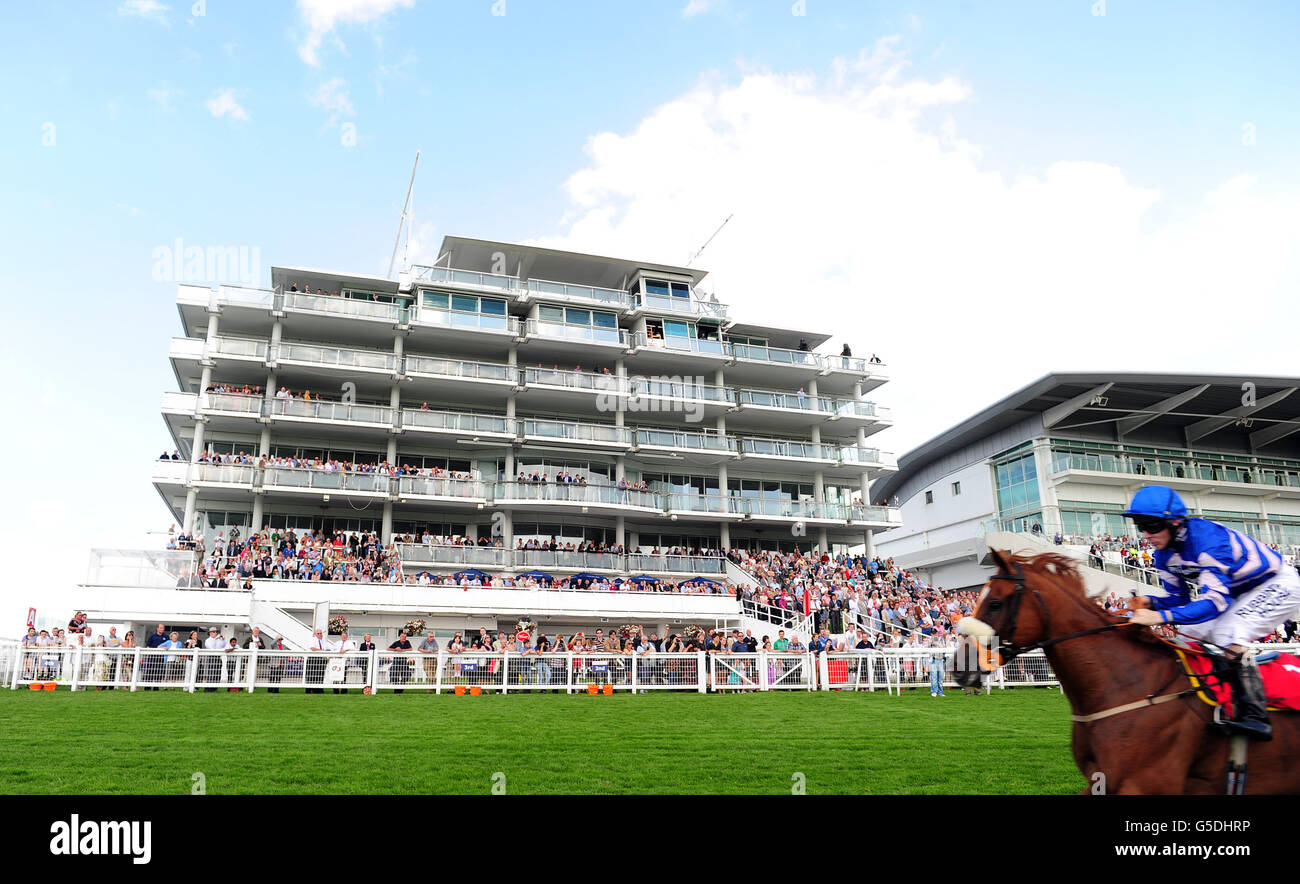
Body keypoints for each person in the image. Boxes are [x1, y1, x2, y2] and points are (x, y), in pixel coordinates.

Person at [1123, 485, 1300, 739]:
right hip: (1239, 592)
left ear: (1174, 523)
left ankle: (1255, 715)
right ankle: (1204, 701)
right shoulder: (1163, 556)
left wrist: (1159, 617)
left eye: (1151, 526)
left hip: (1278, 582)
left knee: (1230, 633)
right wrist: (1149, 602)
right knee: (1187, 635)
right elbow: (1178, 598)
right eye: (1140, 526)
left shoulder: (1207, 540)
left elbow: (1214, 603)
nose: (1145, 534)